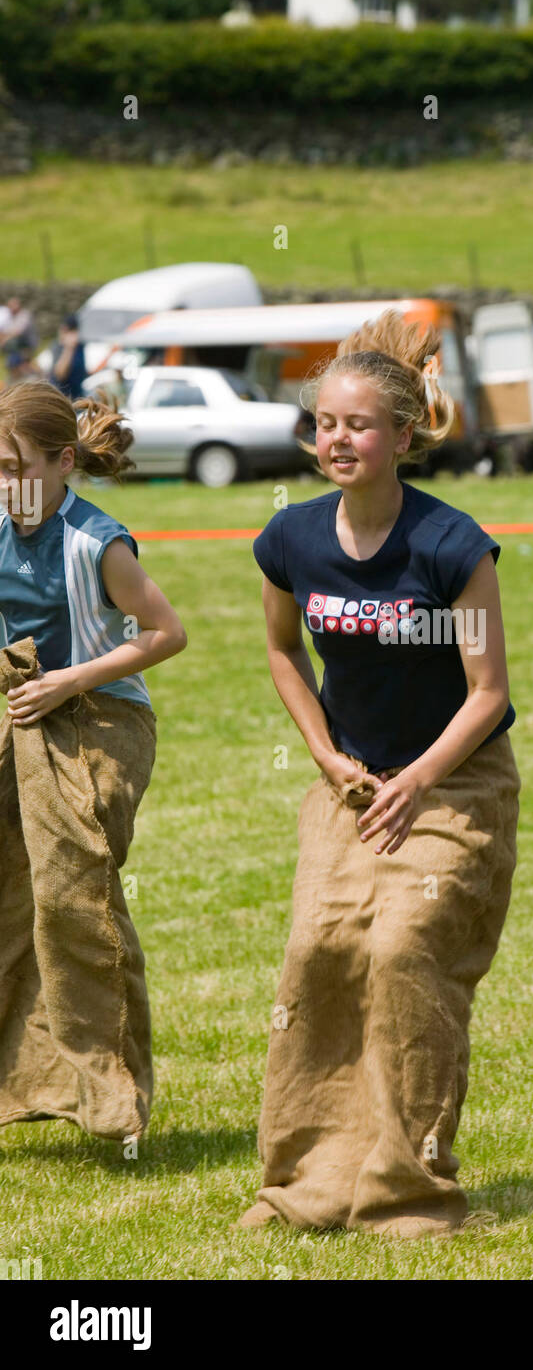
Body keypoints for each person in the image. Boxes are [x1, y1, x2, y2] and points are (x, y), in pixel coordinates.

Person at [240, 309, 520, 1238]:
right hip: (351, 783)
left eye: (358, 424)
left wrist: (418, 781)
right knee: (317, 955)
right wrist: (324, 752)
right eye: (325, 422)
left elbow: (486, 692)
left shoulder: (452, 547)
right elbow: (284, 652)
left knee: (404, 952)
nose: (337, 438)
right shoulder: (293, 540)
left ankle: (408, 1188)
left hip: (454, 782)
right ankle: (306, 1182)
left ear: (404, 435)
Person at [0, 381, 187, 1140]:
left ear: (63, 461)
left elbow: (165, 633)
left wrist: (70, 679)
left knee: (71, 895)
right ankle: (24, 1085)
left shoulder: (98, 542)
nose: (6, 483)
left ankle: (112, 1094)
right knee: (12, 894)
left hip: (104, 721)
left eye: (17, 466)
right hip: (23, 712)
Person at [48, 314, 88, 400]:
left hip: (77, 396)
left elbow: (82, 373)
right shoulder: (57, 347)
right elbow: (60, 375)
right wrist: (69, 348)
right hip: (61, 398)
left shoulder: (80, 347)